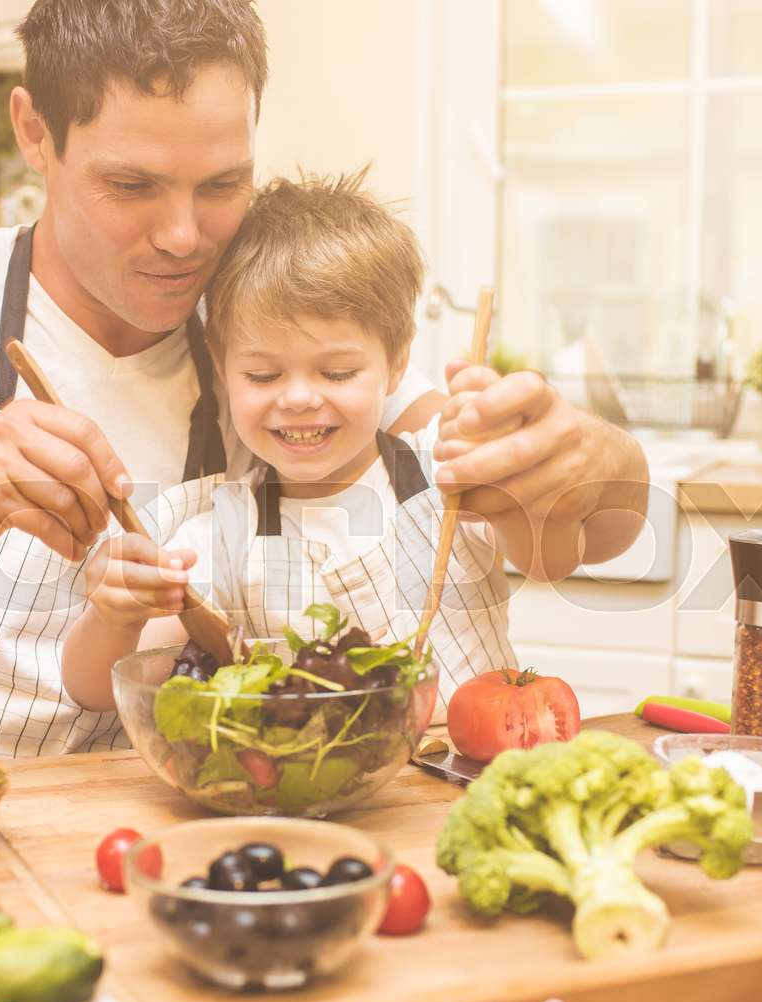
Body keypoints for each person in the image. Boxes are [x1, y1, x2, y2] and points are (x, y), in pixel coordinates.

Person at [0, 0, 648, 759]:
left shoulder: (274, 334)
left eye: (221, 185)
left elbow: (587, 520)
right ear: (36, 133)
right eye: (130, 185)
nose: (181, 237)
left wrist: (584, 455)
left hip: (127, 815)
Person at [62, 172, 514, 714]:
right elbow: (96, 692)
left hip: (483, 783)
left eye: (339, 372)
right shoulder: (221, 533)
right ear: (223, 367)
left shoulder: (451, 469)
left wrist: (515, 451)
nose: (299, 398)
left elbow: (555, 552)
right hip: (316, 794)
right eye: (263, 376)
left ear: (396, 364)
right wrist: (116, 616)